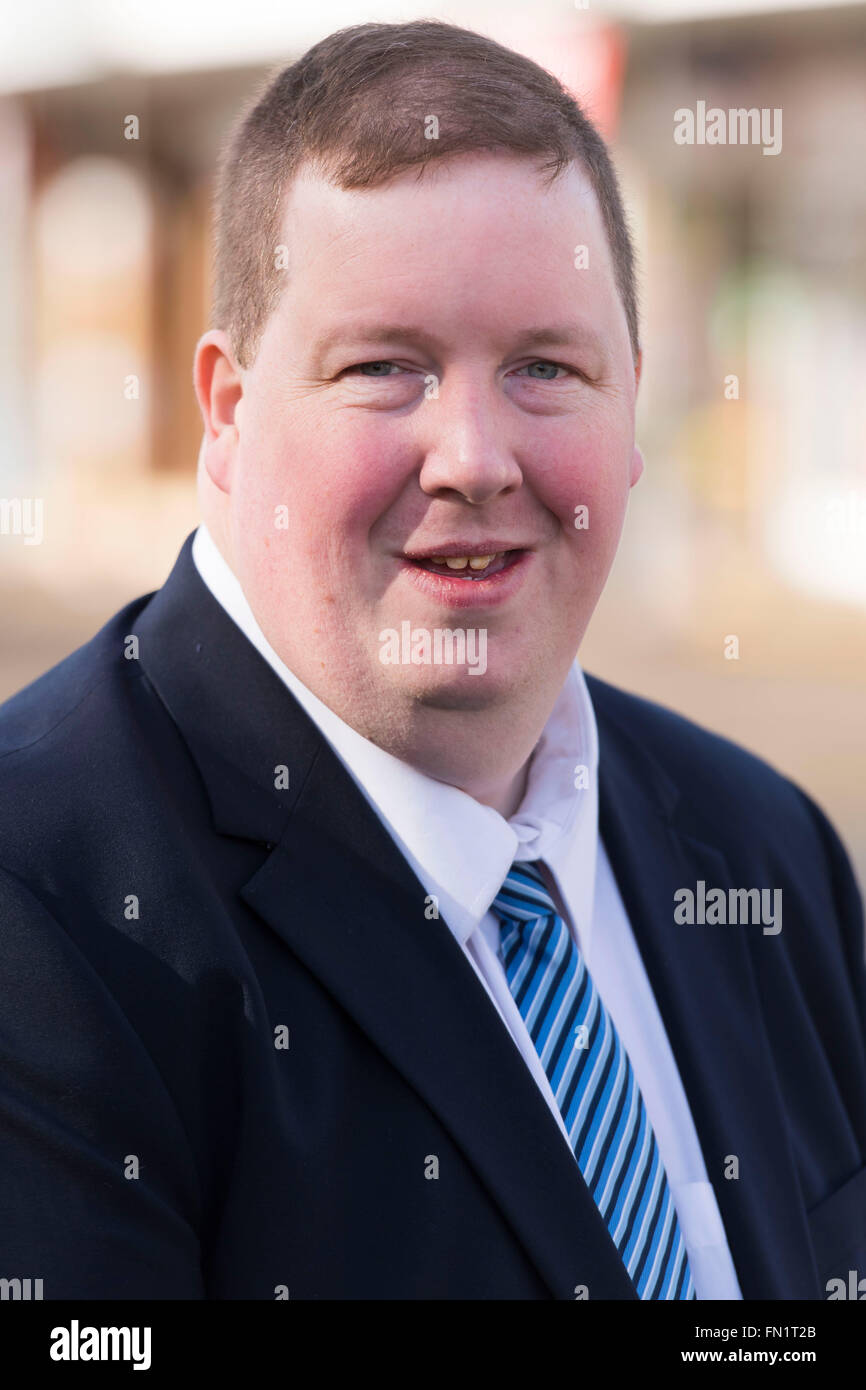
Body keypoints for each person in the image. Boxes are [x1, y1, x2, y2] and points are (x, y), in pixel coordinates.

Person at [1, 19, 864, 1302]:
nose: (471, 455)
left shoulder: (761, 848)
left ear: (631, 402)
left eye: (543, 367)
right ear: (230, 412)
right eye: (385, 367)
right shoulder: (42, 904)